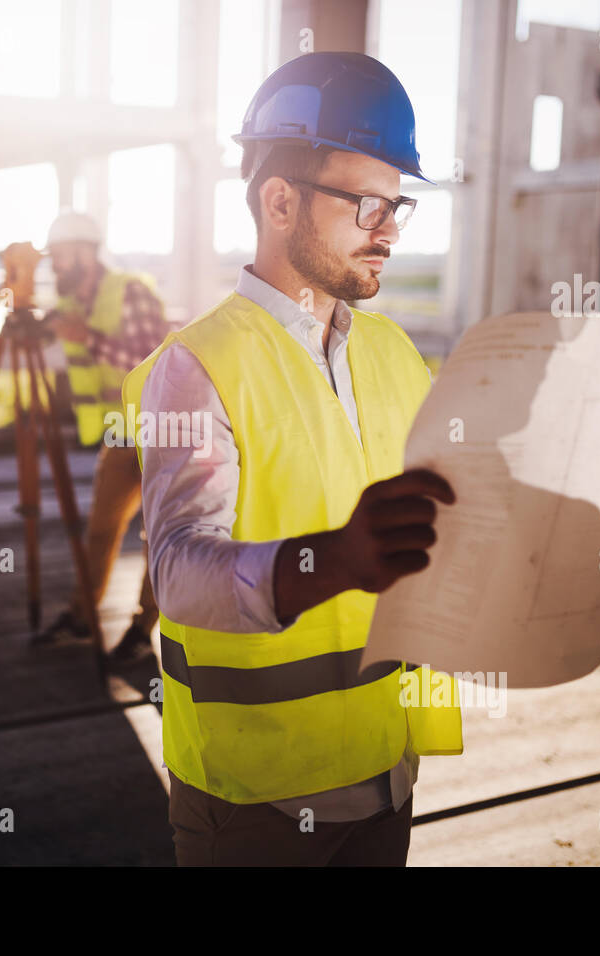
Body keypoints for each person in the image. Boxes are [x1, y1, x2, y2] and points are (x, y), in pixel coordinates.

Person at [122, 52, 464, 866]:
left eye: (398, 204)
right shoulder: (197, 366)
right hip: (256, 799)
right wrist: (337, 559)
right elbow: (178, 573)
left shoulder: (393, 354)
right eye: (366, 203)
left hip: (387, 770)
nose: (388, 228)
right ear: (280, 201)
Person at [31, 211, 170, 664]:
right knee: (100, 528)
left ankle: (143, 628)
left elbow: (154, 357)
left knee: (159, 534)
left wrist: (87, 338)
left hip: (163, 428)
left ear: (87, 253)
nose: (55, 266)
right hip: (121, 431)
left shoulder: (129, 291)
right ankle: (81, 618)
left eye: (62, 256)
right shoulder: (72, 305)